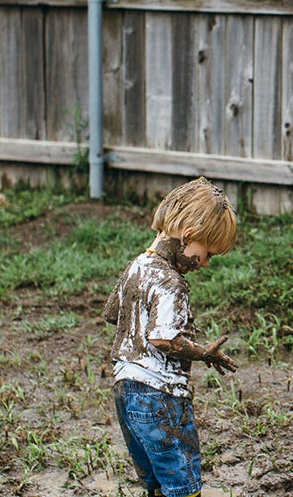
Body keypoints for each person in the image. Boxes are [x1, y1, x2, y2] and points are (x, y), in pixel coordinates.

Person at [102, 176, 240, 497]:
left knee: (155, 479)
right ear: (188, 237)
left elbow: (112, 312)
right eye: (207, 254)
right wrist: (204, 353)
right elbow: (164, 339)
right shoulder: (171, 282)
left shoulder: (137, 266)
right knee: (182, 482)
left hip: (125, 390)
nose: (205, 263)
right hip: (160, 395)